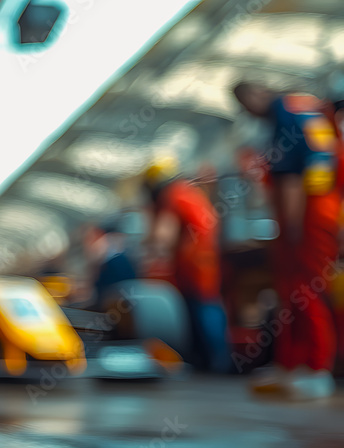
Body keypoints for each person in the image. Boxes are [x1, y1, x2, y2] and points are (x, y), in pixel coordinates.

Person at [233, 82, 339, 399]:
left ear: (256, 94)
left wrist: (291, 228)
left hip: (310, 214)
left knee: (306, 289)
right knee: (290, 291)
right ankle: (292, 366)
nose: (247, 112)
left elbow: (294, 173)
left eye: (244, 104)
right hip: (308, 211)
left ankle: (318, 369)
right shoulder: (300, 108)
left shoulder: (286, 114)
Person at [143, 156, 231, 373]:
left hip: (192, 266)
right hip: (205, 261)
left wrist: (147, 243)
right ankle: (219, 360)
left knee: (198, 311)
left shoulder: (171, 196)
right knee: (209, 307)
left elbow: (164, 235)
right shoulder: (189, 192)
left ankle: (211, 362)